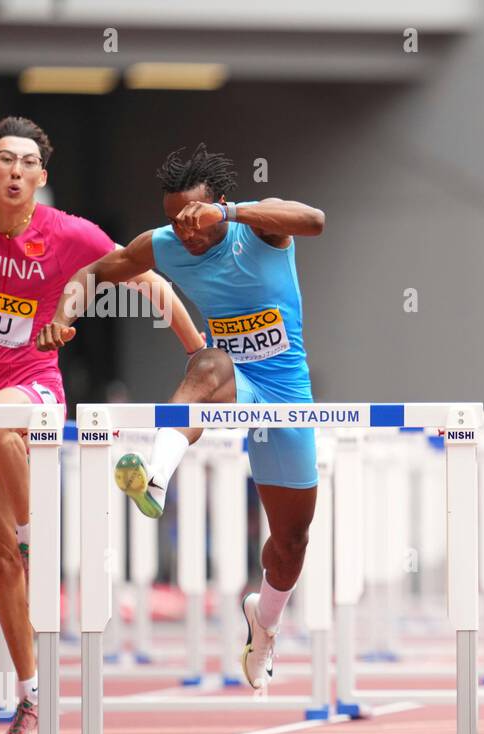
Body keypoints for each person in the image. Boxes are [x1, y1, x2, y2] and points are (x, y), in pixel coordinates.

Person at [0, 116, 194, 734]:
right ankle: (32, 694)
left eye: (27, 162)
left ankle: (43, 533)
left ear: (42, 175)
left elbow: (148, 280)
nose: (16, 170)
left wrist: (199, 354)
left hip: (36, 392)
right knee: (5, 562)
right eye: (4, 160)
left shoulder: (68, 233)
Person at [42, 144, 325, 690]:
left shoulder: (257, 228)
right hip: (228, 383)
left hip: (286, 394)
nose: (186, 232)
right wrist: (61, 315)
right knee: (208, 361)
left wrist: (231, 215)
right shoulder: (165, 245)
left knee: (291, 544)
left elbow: (313, 220)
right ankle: (154, 477)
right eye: (175, 220)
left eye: (195, 218)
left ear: (218, 203)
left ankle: (263, 622)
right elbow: (92, 274)